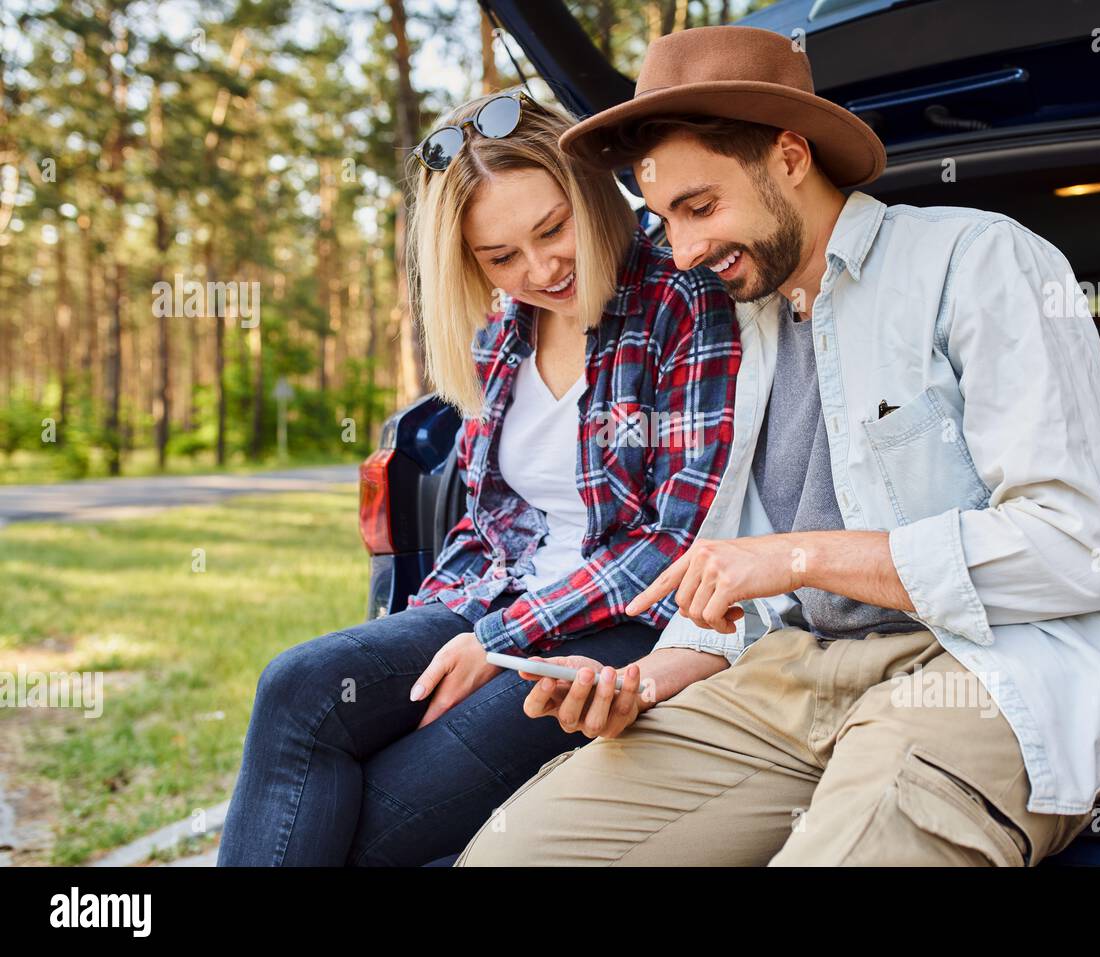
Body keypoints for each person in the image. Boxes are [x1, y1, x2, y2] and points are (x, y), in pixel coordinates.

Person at [456, 26, 1100, 867]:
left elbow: (1074, 548)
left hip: (987, 672)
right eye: (665, 217)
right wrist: (642, 679)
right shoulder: (735, 324)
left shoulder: (980, 260)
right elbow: (731, 590)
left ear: (789, 156)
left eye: (701, 207)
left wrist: (801, 556)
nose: (681, 251)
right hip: (791, 676)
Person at [217, 88, 741, 866]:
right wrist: (423, 632)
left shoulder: (679, 298)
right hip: (502, 603)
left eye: (552, 228)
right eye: (500, 257)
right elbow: (485, 522)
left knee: (358, 823)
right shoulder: (502, 334)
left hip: (626, 624)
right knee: (299, 685)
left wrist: (496, 643)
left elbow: (675, 538)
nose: (540, 267)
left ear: (589, 191)